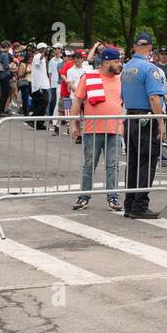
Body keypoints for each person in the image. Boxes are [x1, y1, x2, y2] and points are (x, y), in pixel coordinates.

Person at [69, 45, 125, 212]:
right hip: (93, 129)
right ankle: (84, 196)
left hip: (115, 129)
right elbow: (77, 102)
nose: (120, 64)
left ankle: (113, 197)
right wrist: (73, 124)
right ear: (106, 62)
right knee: (89, 164)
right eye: (117, 61)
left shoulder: (121, 79)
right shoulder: (89, 77)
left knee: (113, 165)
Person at [121, 33, 167, 219]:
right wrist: (161, 122)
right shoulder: (150, 69)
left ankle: (130, 203)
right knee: (147, 162)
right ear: (150, 48)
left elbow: (123, 97)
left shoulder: (126, 68)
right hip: (146, 119)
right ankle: (140, 205)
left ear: (134, 47)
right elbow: (154, 97)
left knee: (133, 162)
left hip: (131, 116)